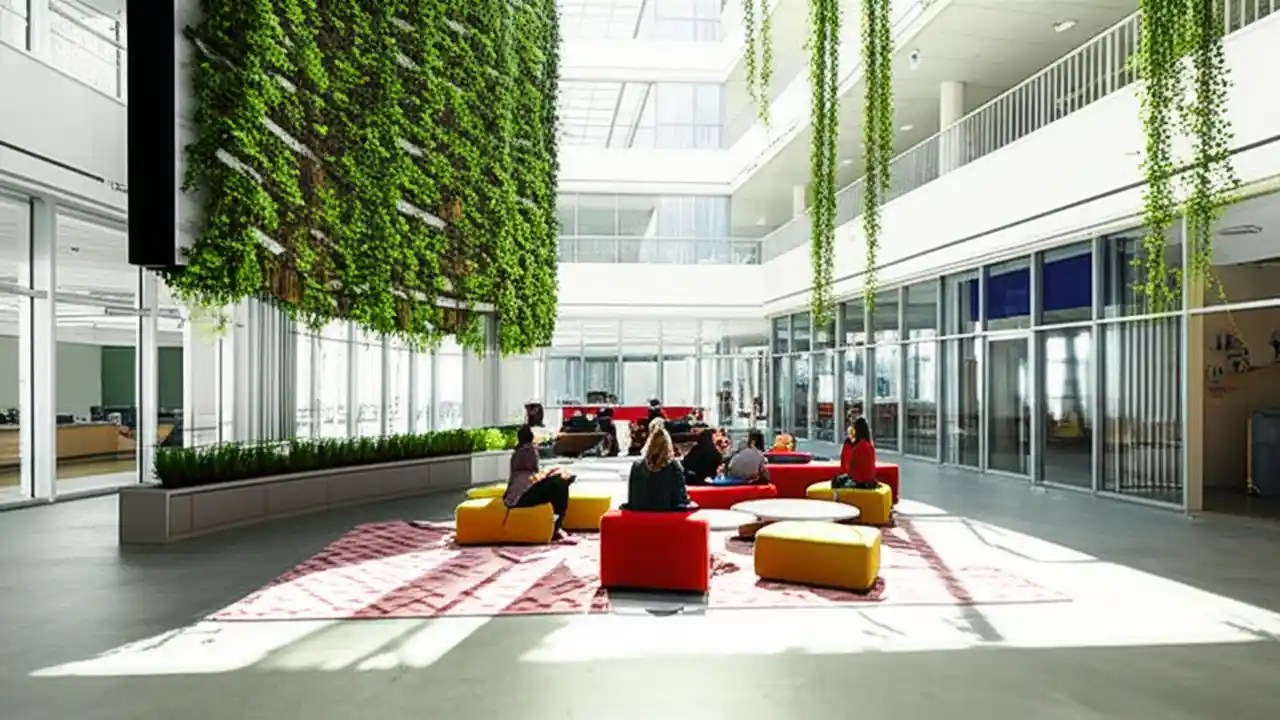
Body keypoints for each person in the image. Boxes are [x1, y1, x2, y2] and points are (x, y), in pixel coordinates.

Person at [504, 424, 574, 535]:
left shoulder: (517, 453)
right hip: (522, 498)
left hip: (516, 497)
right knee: (559, 484)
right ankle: (557, 523)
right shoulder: (528, 450)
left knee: (557, 483)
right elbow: (534, 473)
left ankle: (556, 521)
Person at [622, 418, 696, 511]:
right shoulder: (674, 466)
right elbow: (679, 498)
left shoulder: (637, 465)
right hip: (666, 512)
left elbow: (632, 497)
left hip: (641, 511)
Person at [836, 416, 877, 489]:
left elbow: (847, 467)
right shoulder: (870, 445)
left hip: (858, 482)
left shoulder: (856, 446)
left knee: (836, 481)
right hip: (870, 481)